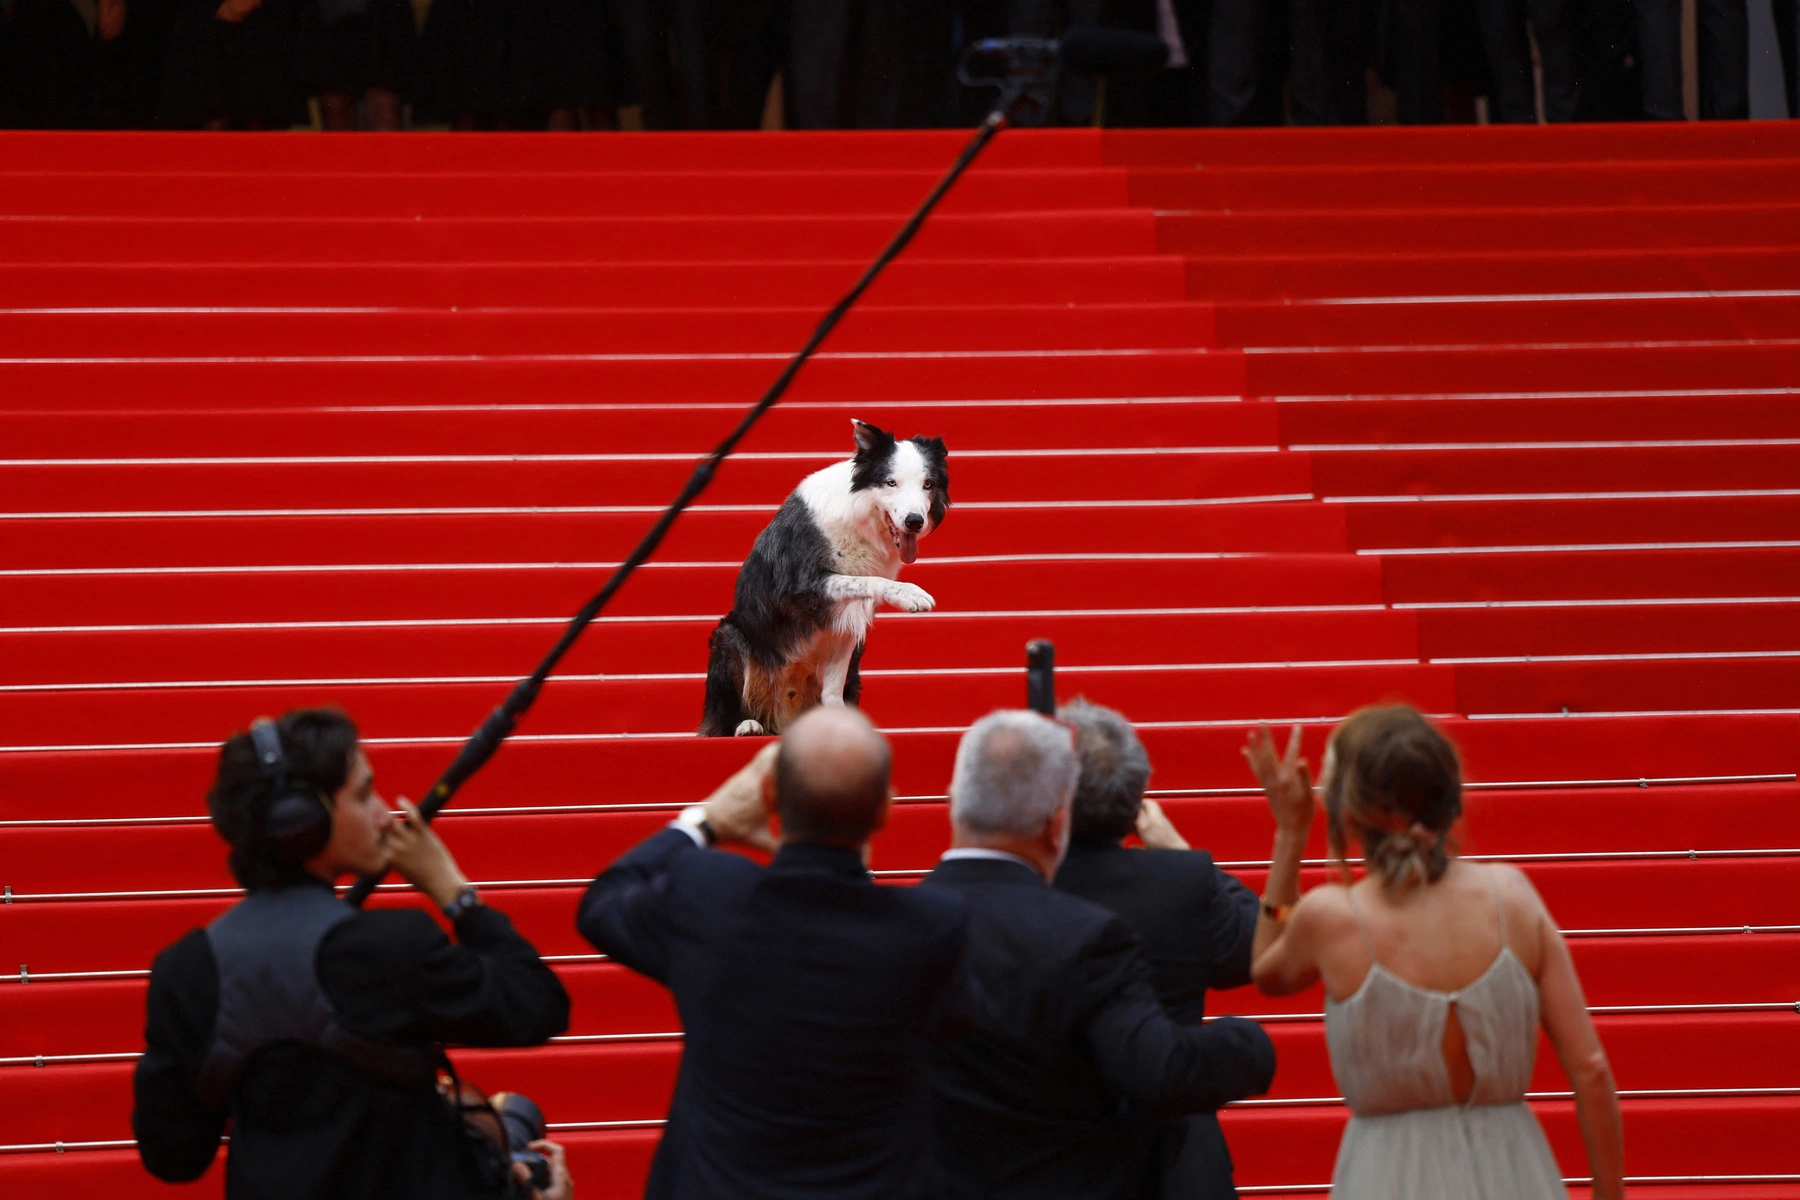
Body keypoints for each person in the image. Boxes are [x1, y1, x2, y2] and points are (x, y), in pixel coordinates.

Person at [133, 708, 574, 1200]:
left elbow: (173, 1155)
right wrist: (454, 891)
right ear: (302, 823)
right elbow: (538, 1004)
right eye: (363, 795)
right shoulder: (392, 947)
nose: (385, 814)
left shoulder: (187, 970)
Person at [576, 707, 970, 1199]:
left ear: (768, 796)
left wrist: (704, 822)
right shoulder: (928, 929)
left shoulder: (710, 895)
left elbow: (600, 905)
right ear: (885, 811)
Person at [1247, 705, 1624, 1199]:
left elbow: (1266, 971)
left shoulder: (1330, 918)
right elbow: (1591, 1069)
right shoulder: (1511, 896)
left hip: (1387, 1177)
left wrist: (1289, 835)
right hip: (1513, 1171)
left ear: (1351, 814)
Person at [922, 709, 1276, 1200]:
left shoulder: (926, 916)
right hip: (1158, 1165)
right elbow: (1263, 946)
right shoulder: (1166, 894)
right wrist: (1175, 849)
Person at [1051, 700, 1274, 1200]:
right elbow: (1262, 944)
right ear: (1136, 800)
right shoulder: (1181, 885)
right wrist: (1178, 851)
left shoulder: (1011, 891)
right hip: (1175, 1161)